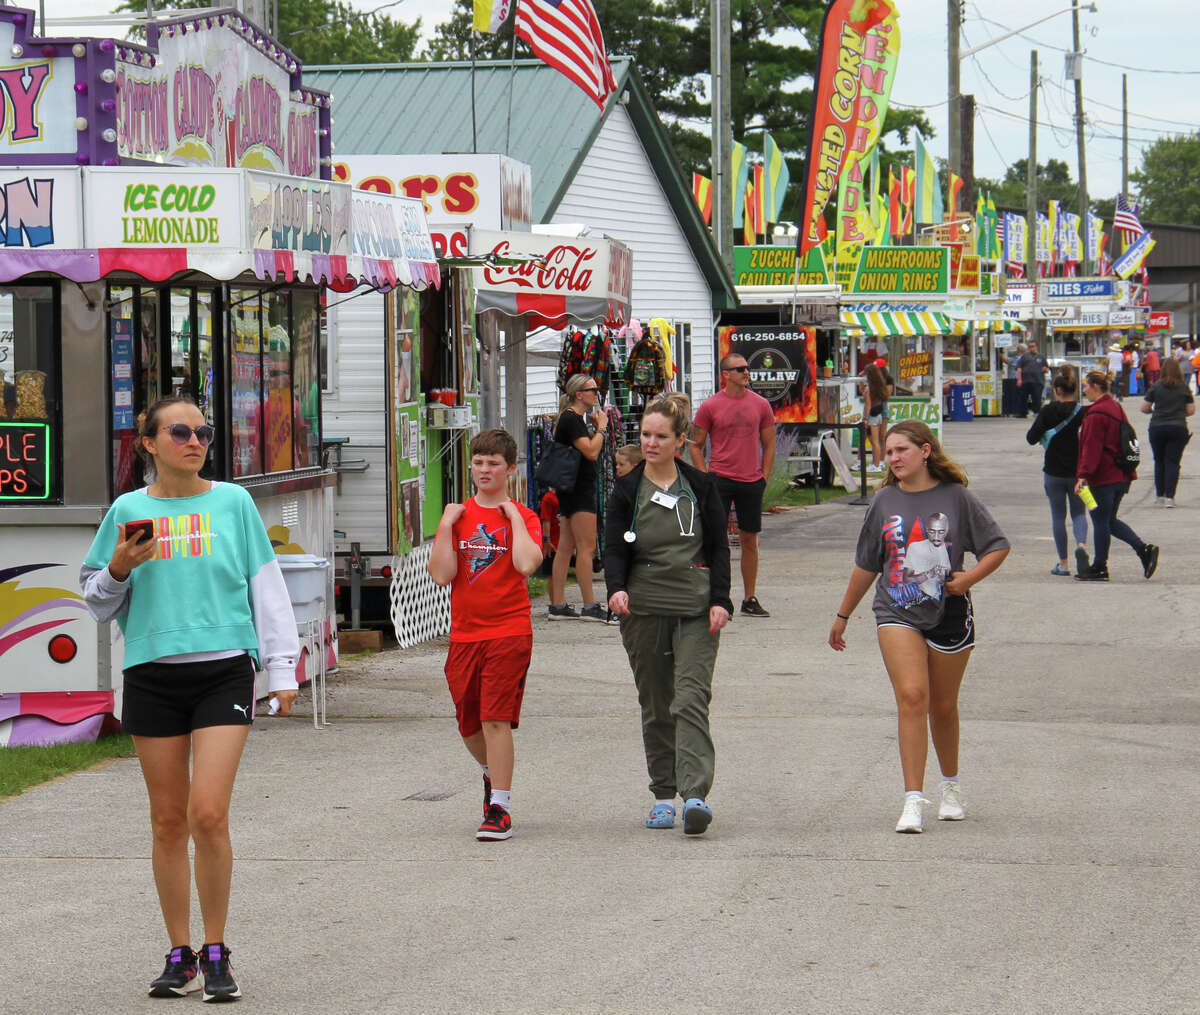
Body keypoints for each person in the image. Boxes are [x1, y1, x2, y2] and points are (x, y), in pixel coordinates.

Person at [80, 397, 299, 1002]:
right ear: (148, 443)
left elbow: (267, 586)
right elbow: (97, 601)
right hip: (151, 672)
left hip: (224, 669)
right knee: (168, 820)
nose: (195, 440)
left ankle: (218, 947)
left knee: (208, 813)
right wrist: (120, 566)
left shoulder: (233, 503)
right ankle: (181, 953)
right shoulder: (127, 510)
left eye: (203, 432)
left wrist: (282, 669)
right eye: (180, 431)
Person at [828, 420, 1010, 834]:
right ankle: (913, 799)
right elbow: (867, 564)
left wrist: (968, 579)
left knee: (942, 707)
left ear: (925, 451)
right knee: (913, 697)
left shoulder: (957, 497)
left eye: (900, 451)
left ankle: (951, 787)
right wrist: (842, 616)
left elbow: (997, 546)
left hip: (949, 613)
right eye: (888, 452)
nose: (892, 459)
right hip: (896, 612)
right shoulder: (884, 501)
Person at [605, 393, 732, 835]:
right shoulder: (626, 488)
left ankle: (695, 795)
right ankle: (664, 794)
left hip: (695, 606)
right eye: (645, 435)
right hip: (643, 605)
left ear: (681, 440)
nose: (651, 443)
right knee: (657, 703)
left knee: (691, 698)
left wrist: (722, 599)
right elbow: (614, 549)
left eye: (661, 436)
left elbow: (718, 546)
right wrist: (616, 591)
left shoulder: (700, 486)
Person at [427, 429, 543, 841]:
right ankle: (490, 776)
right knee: (468, 722)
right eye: (478, 462)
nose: (484, 470)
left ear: (510, 469)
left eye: (494, 463)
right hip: (465, 634)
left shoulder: (523, 517)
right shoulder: (458, 517)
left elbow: (529, 565)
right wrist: (445, 524)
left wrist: (513, 518)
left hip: (508, 630)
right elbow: (442, 574)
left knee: (495, 719)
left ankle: (500, 808)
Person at [689, 352, 776, 617]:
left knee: (750, 539)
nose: (746, 373)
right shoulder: (710, 406)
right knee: (717, 539)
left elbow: (769, 443)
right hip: (720, 480)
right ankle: (718, 597)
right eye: (739, 369)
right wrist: (705, 478)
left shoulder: (761, 404)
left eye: (747, 368)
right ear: (725, 375)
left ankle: (749, 598)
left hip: (751, 480)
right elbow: (695, 445)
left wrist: (765, 476)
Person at [1075, 370, 1159, 582]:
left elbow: (1091, 449)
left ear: (1096, 387)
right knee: (1109, 520)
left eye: (1086, 386)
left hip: (1102, 479)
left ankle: (1100, 566)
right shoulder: (1114, 407)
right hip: (1121, 476)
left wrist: (1082, 476)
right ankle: (1144, 550)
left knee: (1100, 521)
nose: (1084, 390)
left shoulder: (1096, 415)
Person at [547, 373, 609, 622]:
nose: (597, 394)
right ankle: (589, 605)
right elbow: (591, 452)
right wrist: (602, 428)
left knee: (566, 546)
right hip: (579, 488)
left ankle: (558, 604)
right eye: (592, 390)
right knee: (586, 547)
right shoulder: (572, 419)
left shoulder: (571, 419)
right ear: (578, 394)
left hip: (569, 487)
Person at [1026, 367, 1089, 576]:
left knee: (1058, 516)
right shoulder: (1084, 412)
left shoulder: (1048, 411)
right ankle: (1081, 546)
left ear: (1058, 390)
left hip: (1053, 471)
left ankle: (1063, 563)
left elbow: (1031, 438)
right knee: (1079, 512)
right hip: (1079, 472)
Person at [1141, 356, 1194, 507]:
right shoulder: (1184, 388)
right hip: (1178, 427)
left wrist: (1154, 411)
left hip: (1157, 427)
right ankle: (1170, 497)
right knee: (1172, 462)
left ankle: (1160, 496)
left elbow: (1144, 407)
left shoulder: (1156, 386)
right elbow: (1191, 410)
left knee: (1159, 461)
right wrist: (1179, 412)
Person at [861, 363, 890, 472]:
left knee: (874, 442)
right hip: (878, 415)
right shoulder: (879, 386)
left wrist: (865, 419)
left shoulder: (869, 389)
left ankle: (876, 465)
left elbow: (867, 405)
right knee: (875, 441)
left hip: (872, 416)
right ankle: (876, 463)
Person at [1015, 340, 1049, 417]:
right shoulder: (1024, 356)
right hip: (1025, 380)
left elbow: (1047, 368)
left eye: (1033, 346)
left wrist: (1045, 370)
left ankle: (1036, 412)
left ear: (1036, 347)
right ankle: (1023, 413)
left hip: (1037, 380)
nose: (1031, 348)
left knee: (1037, 397)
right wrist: (1019, 379)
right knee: (1023, 397)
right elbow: (1019, 368)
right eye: (1030, 347)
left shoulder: (1041, 357)